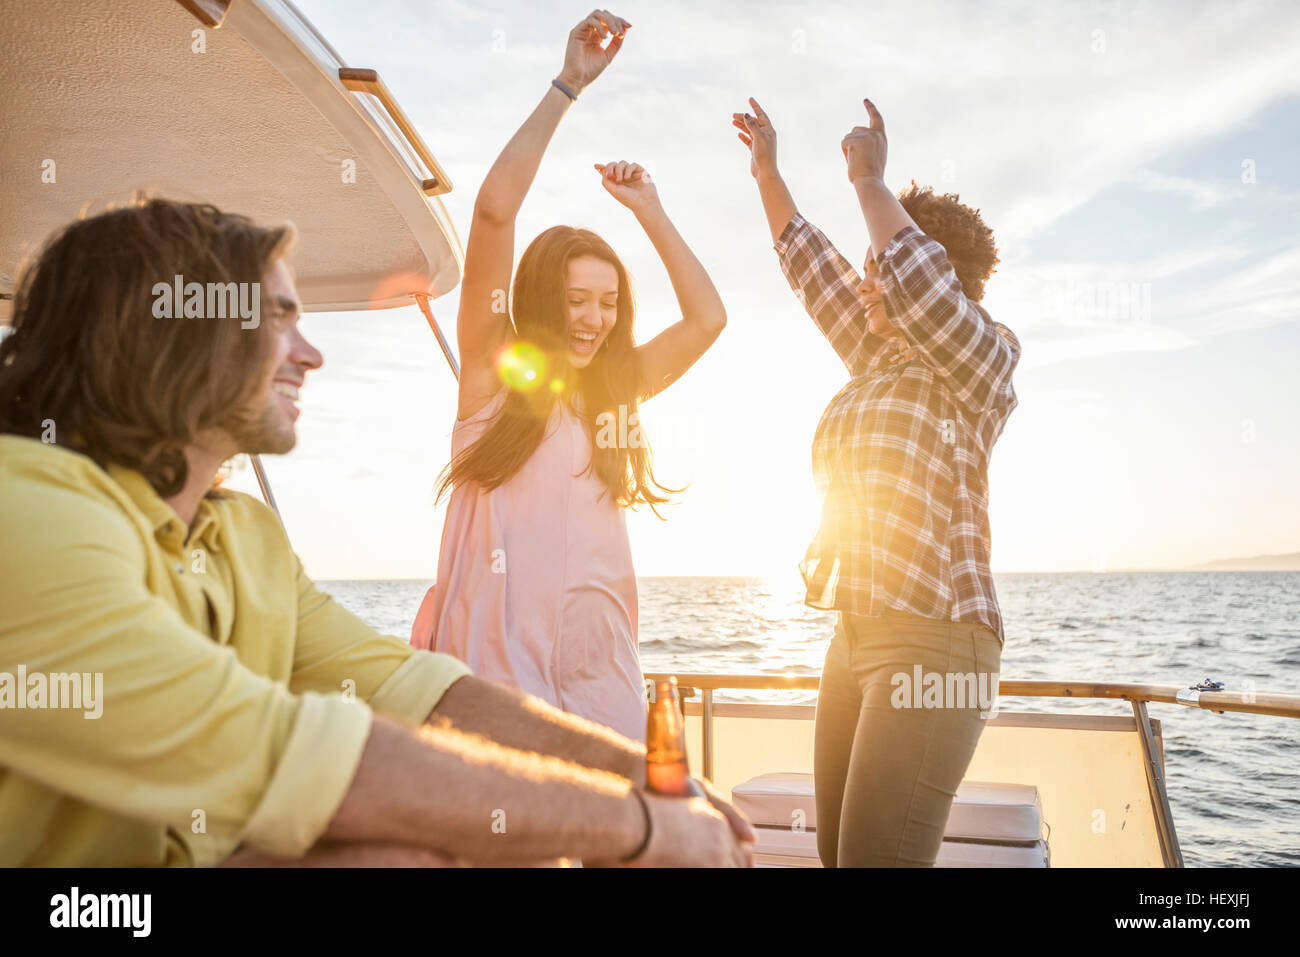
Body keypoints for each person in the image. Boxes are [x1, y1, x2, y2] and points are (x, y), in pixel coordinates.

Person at [0, 196, 752, 867]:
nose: (312, 352)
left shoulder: (245, 537)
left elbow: (424, 691)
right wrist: (641, 826)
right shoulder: (27, 512)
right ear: (163, 339)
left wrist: (643, 775)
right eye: (279, 320)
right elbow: (308, 760)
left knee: (405, 853)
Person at [411, 10, 727, 743]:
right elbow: (492, 214)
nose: (594, 319)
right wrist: (567, 85)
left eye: (610, 303)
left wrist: (650, 209)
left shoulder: (615, 391)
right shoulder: (493, 380)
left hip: (601, 687)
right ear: (542, 300)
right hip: (494, 689)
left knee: (612, 847)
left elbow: (708, 319)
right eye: (577, 300)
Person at [734, 96, 1020, 866]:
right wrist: (769, 170)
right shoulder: (879, 358)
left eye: (877, 269)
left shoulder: (981, 364)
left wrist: (870, 182)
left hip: (935, 638)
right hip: (855, 634)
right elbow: (809, 264)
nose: (865, 283)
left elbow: (923, 288)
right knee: (841, 859)